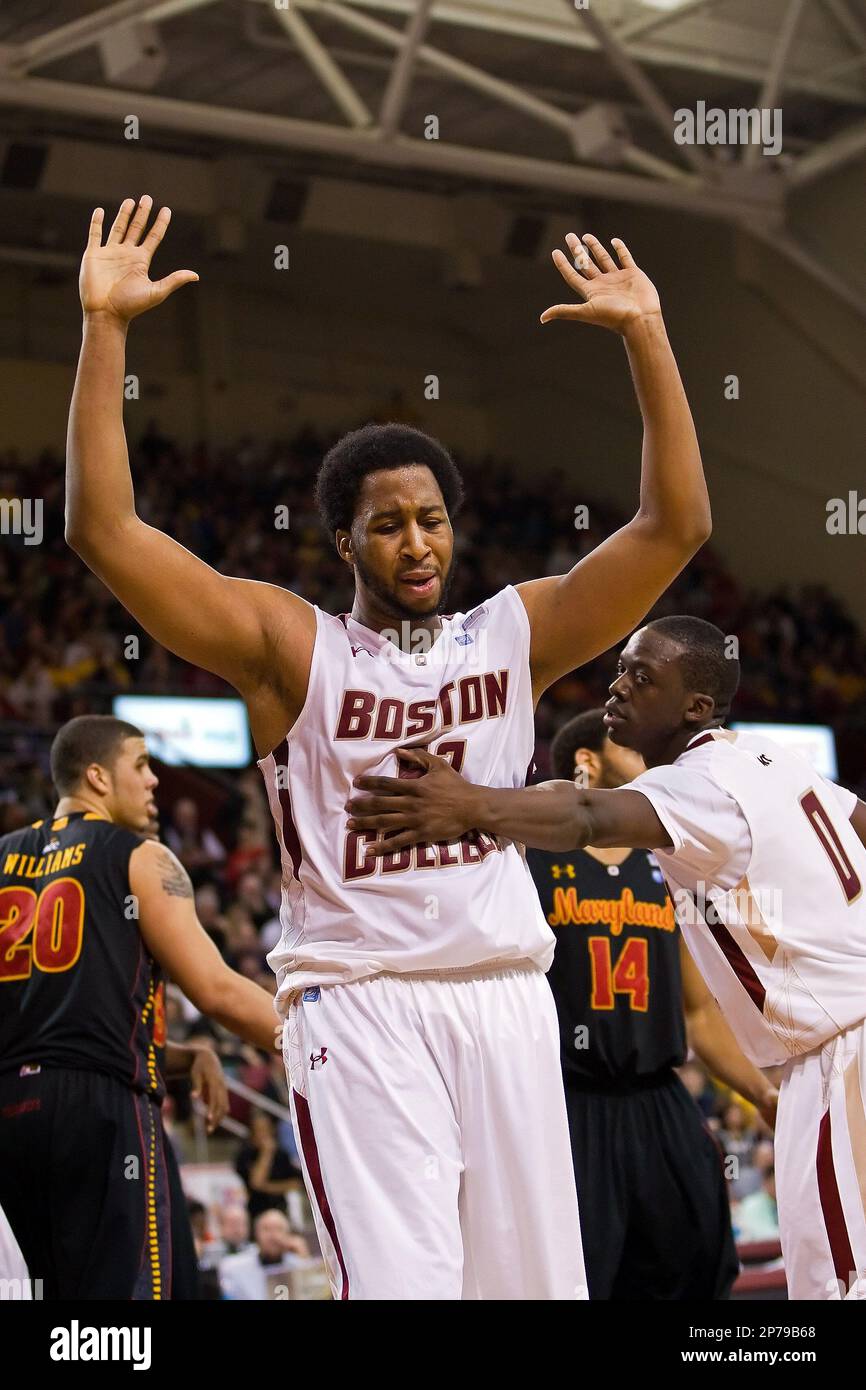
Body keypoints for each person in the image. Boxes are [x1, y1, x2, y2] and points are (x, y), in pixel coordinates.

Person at [65, 195, 710, 1300]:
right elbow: (103, 531)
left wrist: (648, 334)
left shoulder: (513, 633)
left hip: (508, 997)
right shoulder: (288, 646)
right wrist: (106, 330)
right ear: (343, 539)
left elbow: (673, 527)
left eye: (432, 518)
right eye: (387, 523)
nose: (416, 541)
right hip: (360, 1005)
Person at [347, 616, 866, 1300]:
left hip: (835, 1058)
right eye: (621, 668)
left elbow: (588, 817)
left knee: (838, 1285)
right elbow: (857, 819)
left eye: (642, 677)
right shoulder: (773, 758)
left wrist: (468, 803)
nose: (617, 687)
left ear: (696, 707)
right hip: (780, 1056)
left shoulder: (701, 784)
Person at [0, 715, 281, 1300]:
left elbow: (59, 1026)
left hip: (14, 1112)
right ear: (98, 777)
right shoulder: (141, 857)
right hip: (103, 1110)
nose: (155, 781)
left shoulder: (3, 859)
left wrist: (182, 1056)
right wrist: (322, 1045)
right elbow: (217, 991)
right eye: (142, 765)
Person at [530, 707, 775, 1299]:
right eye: (628, 750)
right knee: (576, 1279)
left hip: (660, 1097)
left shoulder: (674, 867)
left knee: (696, 1261)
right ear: (587, 763)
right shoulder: (530, 860)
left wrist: (763, 1092)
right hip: (570, 1103)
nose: (646, 762)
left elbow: (699, 1013)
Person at [219, 1209, 310, 1301]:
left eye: (279, 1229)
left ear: (288, 1234)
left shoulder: (298, 1265)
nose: (273, 1235)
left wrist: (303, 1258)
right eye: (266, 1229)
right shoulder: (234, 1267)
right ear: (256, 1234)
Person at [235, 1109, 302, 1221]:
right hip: (256, 1211)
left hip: (280, 1209)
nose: (263, 1134)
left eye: (266, 1130)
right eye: (259, 1130)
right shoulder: (245, 1154)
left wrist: (266, 1186)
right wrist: (266, 1153)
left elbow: (296, 1183)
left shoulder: (281, 1155)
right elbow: (256, 1183)